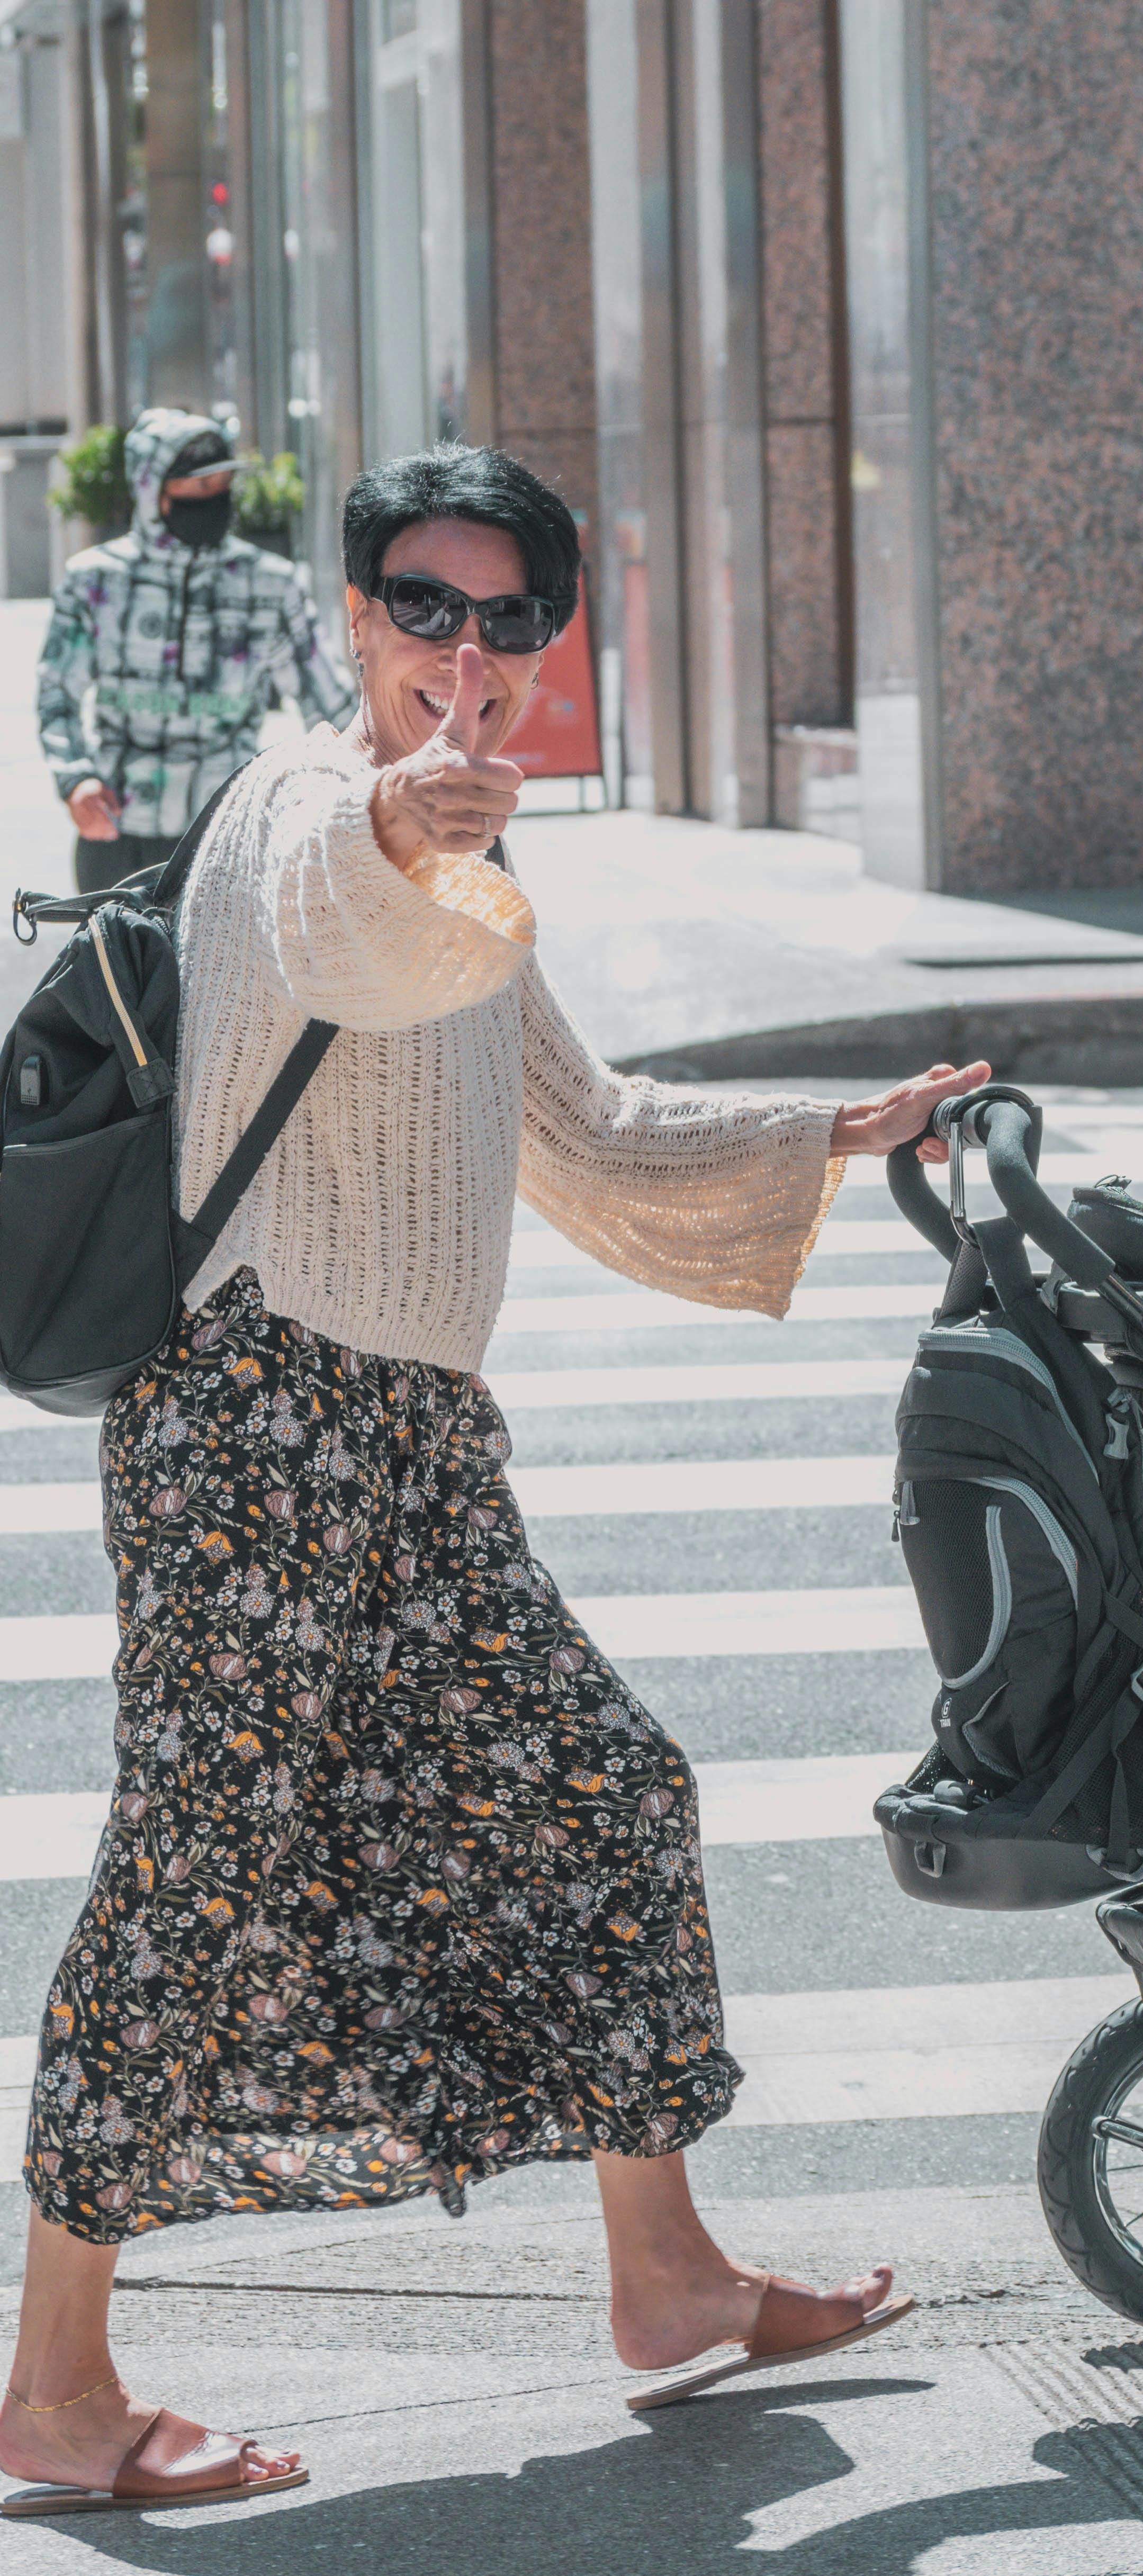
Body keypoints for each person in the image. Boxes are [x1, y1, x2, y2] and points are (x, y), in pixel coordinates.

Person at [1, 439, 988, 2517]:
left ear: (552, 646)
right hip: (258, 1438)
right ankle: (55, 2393)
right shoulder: (303, 810)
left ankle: (668, 2275)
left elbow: (596, 1130)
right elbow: (342, 925)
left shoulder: (484, 882)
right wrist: (399, 818)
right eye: (426, 609)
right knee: (192, 1890)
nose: (468, 653)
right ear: (356, 620)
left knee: (608, 1788)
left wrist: (838, 1130)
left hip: (417, 1457)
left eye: (510, 620)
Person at [37, 407, 357, 895]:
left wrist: (364, 786)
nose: (214, 498)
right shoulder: (95, 581)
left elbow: (329, 702)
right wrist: (74, 779)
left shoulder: (269, 585)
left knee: (226, 973)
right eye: (197, 486)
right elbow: (57, 690)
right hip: (118, 829)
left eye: (221, 484)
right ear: (153, 493)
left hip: (227, 831)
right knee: (112, 973)